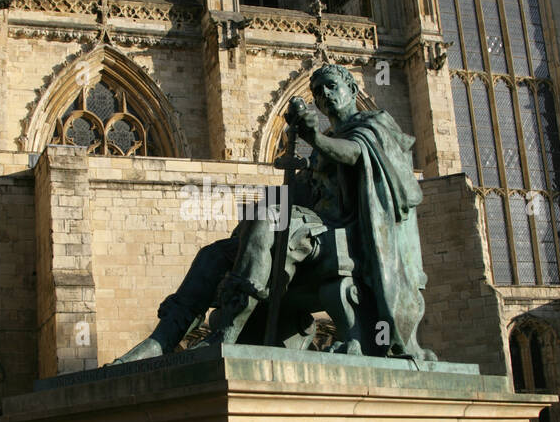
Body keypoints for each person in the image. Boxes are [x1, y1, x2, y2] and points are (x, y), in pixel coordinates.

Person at [113, 63, 433, 363]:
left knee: (267, 223)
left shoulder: (373, 124)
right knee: (215, 253)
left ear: (351, 87)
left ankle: (227, 331)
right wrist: (267, 205)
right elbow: (301, 191)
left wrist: (314, 139)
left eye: (331, 87)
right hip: (314, 226)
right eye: (319, 92)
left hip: (347, 230)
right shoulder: (327, 142)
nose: (325, 96)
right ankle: (162, 338)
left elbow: (354, 155)